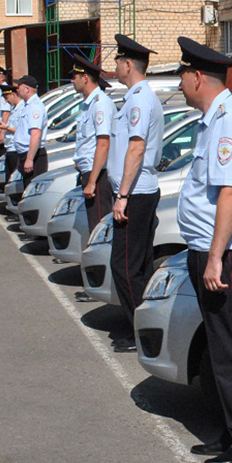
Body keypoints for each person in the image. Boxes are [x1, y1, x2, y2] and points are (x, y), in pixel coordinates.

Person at [175, 36, 232, 463]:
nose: (180, 85)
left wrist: (214, 257)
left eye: (182, 77)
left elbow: (231, 192)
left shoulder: (229, 122)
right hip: (212, 250)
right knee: (220, 348)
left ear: (197, 76)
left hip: (224, 255)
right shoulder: (214, 120)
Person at [106, 35, 164, 353]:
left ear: (128, 64)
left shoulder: (140, 99)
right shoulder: (134, 97)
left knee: (125, 266)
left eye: (117, 61)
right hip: (136, 192)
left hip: (136, 193)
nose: (115, 66)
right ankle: (145, 329)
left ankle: (139, 331)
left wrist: (122, 195)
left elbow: (137, 147)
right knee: (137, 266)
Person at [70, 53, 115, 237]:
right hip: (90, 172)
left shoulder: (100, 104)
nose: (71, 80)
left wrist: (92, 181)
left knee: (98, 226)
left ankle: (99, 265)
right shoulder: (88, 104)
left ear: (85, 77)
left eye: (74, 77)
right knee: (94, 224)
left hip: (97, 174)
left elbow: (103, 143)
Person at [13, 75, 48, 191]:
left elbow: (36, 134)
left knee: (32, 190)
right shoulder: (27, 105)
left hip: (34, 155)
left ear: (27, 89)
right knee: (27, 189)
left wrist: (29, 159)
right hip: (26, 153)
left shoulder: (35, 107)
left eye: (19, 87)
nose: (17, 89)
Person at [0, 82, 22, 181]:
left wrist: (6, 128)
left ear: (13, 95)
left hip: (16, 148)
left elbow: (21, 130)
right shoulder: (15, 109)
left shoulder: (22, 109)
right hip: (10, 148)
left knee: (13, 178)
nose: (7, 101)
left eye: (7, 98)